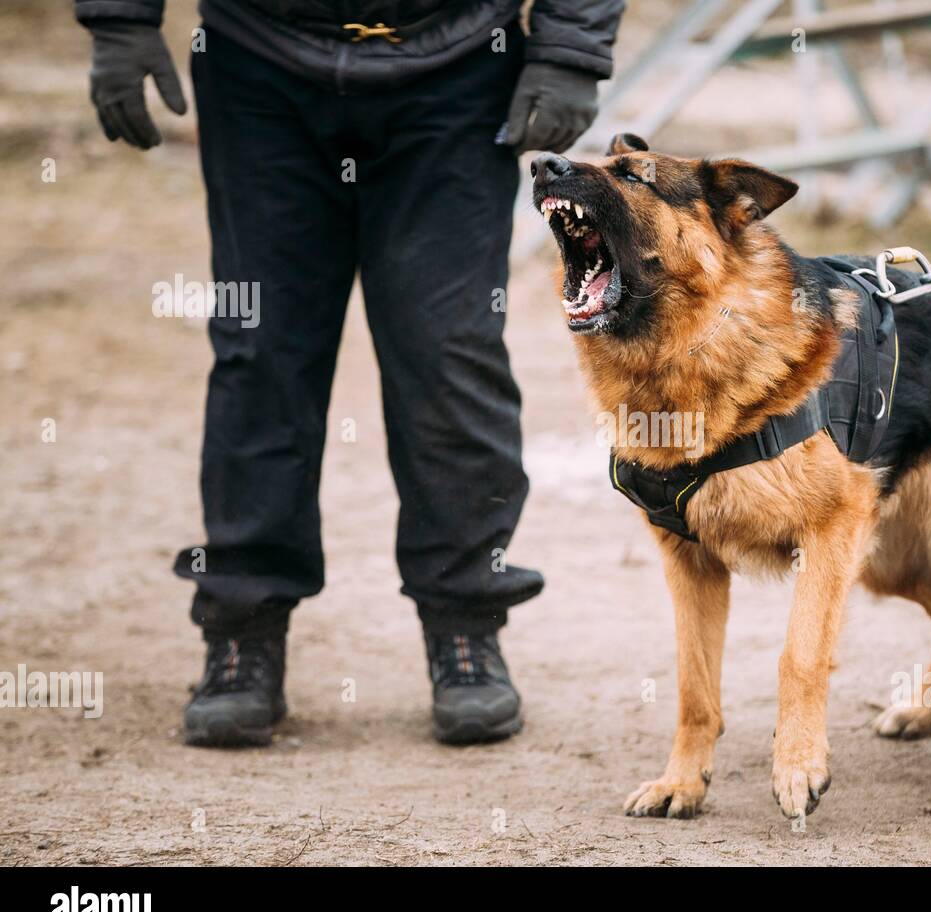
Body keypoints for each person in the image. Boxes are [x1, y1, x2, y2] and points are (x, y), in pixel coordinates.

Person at [74, 0, 625, 746]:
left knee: (448, 353)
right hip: (257, 63)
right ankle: (245, 634)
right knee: (261, 350)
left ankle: (465, 624)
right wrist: (120, 20)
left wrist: (569, 50)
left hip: (458, 68)